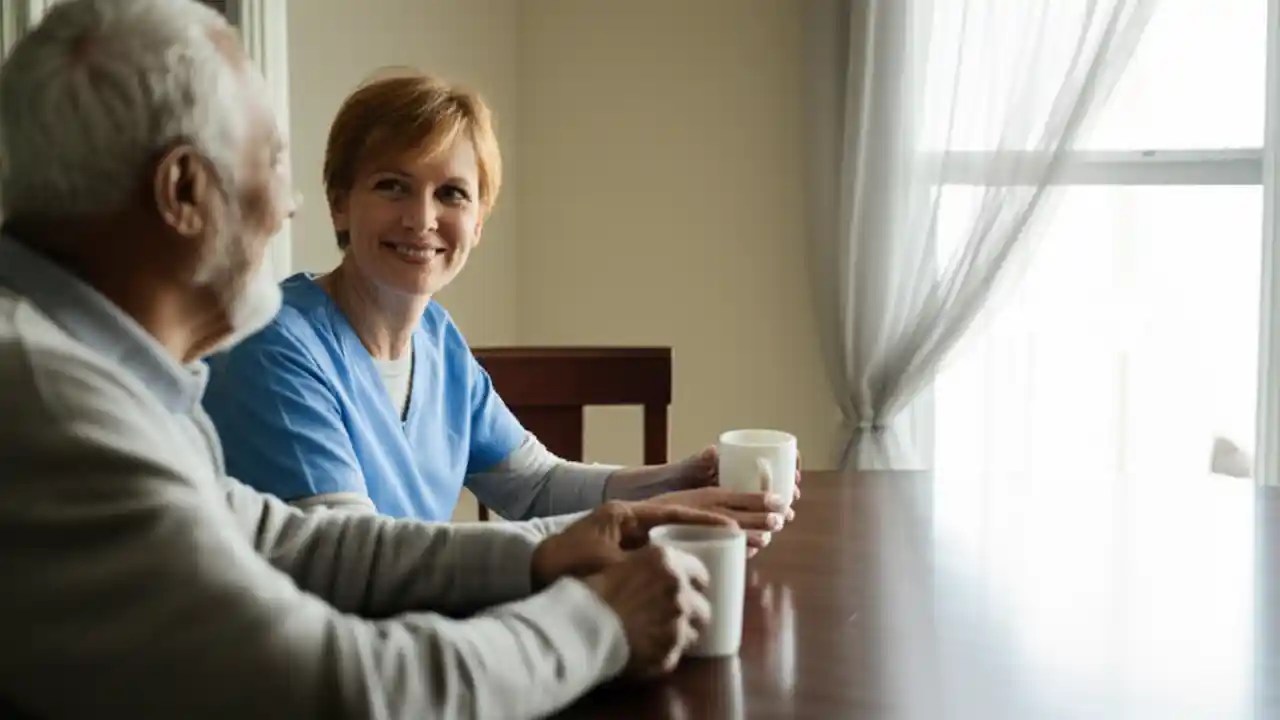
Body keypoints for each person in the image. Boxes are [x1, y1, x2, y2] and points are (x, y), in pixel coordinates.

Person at [0, 1, 731, 717]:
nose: (287, 207)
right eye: (271, 162)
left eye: (451, 194)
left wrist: (546, 551)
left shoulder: (104, 378)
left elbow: (294, 541)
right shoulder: (56, 410)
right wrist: (598, 622)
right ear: (184, 190)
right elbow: (353, 689)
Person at [201, 71, 800, 544]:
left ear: (478, 222)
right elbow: (355, 558)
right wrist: (641, 520)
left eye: (452, 194)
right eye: (392, 186)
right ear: (338, 202)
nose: (422, 218)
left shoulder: (436, 339)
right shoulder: (275, 344)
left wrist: (678, 481)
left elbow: (535, 486)